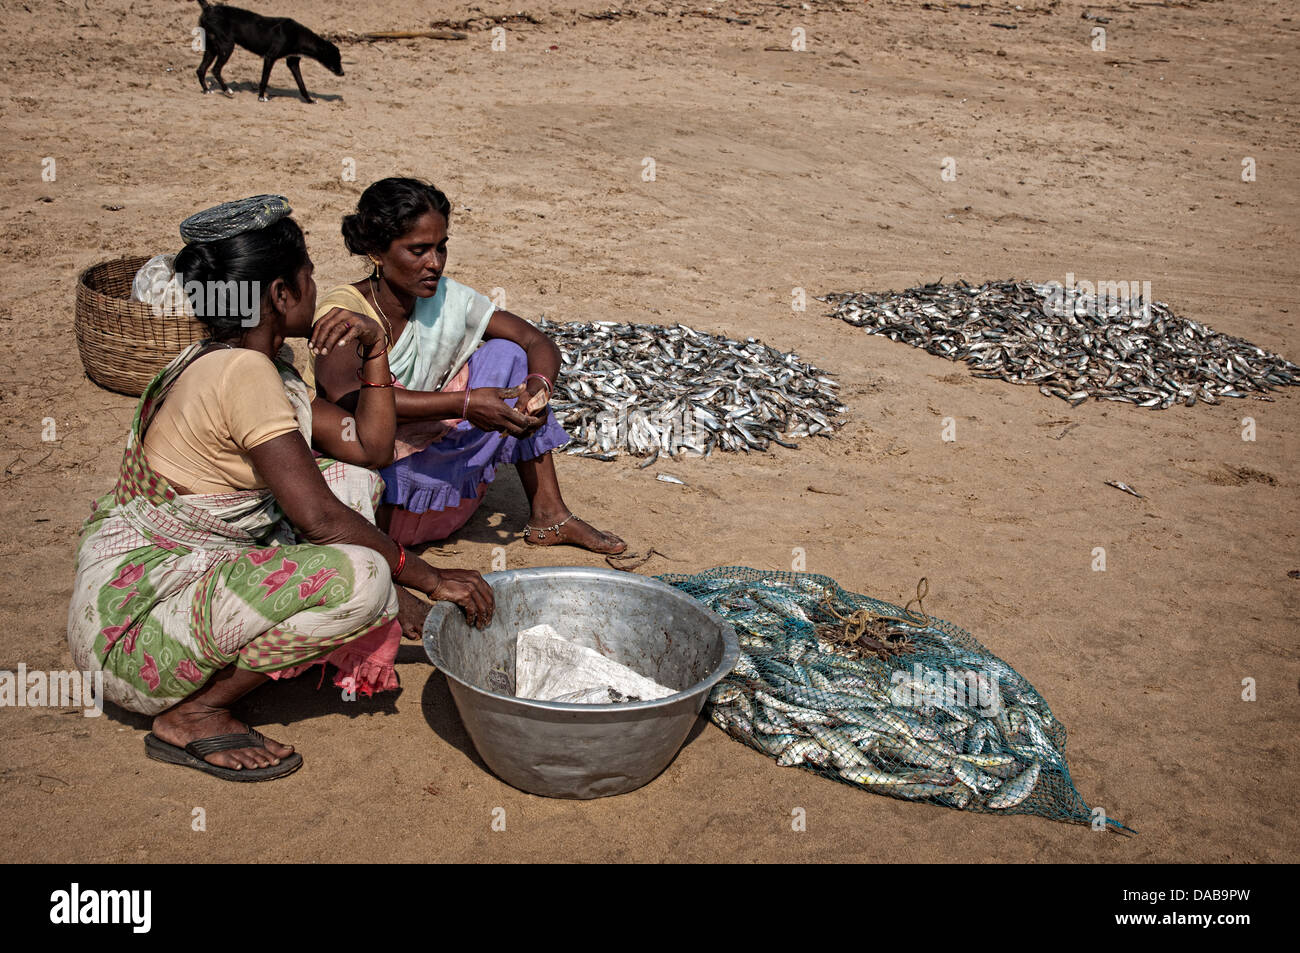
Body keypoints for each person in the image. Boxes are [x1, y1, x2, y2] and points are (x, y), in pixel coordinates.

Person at [67, 195, 494, 782]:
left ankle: (241, 669)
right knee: (365, 579)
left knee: (350, 479)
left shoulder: (243, 361)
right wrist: (427, 576)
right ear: (280, 294)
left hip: (135, 603)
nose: (318, 288)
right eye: (309, 274)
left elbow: (367, 449)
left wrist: (374, 353)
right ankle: (197, 711)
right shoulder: (243, 374)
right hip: (133, 640)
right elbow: (318, 519)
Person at [311, 177, 626, 553]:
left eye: (441, 248)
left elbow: (533, 340)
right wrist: (464, 404)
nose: (435, 264)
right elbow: (349, 399)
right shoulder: (344, 311)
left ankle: (550, 514)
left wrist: (539, 387)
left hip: (446, 485)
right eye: (418, 250)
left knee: (508, 355)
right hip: (384, 487)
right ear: (377, 251)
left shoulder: (445, 298)